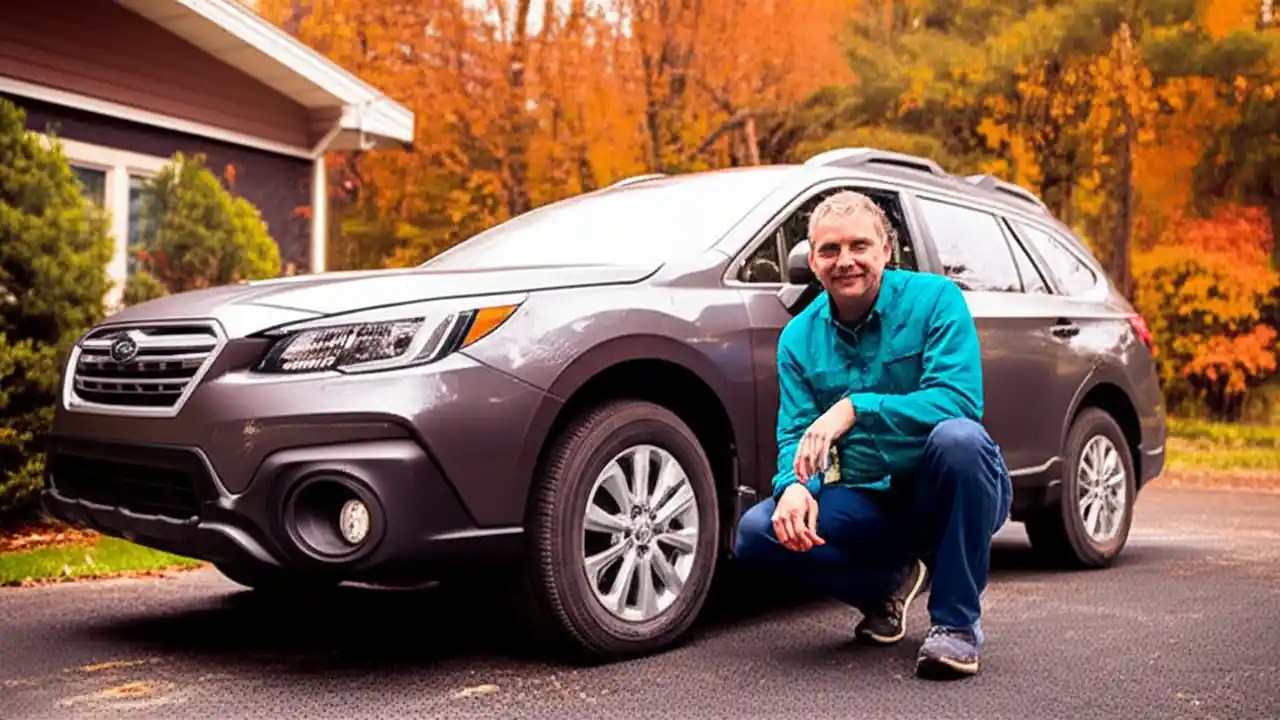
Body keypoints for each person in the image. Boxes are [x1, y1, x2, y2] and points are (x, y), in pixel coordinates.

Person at [734, 190, 1012, 679]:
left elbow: (959, 402)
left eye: (859, 246)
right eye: (829, 250)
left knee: (959, 441)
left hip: (940, 489)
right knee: (759, 534)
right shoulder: (797, 339)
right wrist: (795, 486)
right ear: (814, 263)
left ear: (887, 249)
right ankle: (885, 588)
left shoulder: (935, 301)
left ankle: (956, 626)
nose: (846, 261)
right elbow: (796, 434)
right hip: (865, 500)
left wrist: (855, 408)